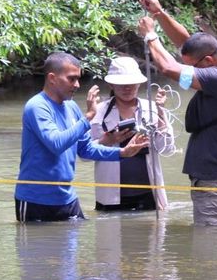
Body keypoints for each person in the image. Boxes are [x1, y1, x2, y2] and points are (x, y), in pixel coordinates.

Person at [137, 0, 217, 225]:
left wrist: (150, 35)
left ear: (207, 62)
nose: (189, 69)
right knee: (216, 249)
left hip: (215, 180)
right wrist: (159, 13)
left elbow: (167, 67)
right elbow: (186, 44)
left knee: (210, 249)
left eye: (192, 66)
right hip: (215, 177)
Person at [15, 51, 149, 222]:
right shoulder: (37, 106)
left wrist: (122, 152)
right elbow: (56, 144)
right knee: (41, 248)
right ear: (52, 78)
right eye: (72, 79)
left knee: (72, 247)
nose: (77, 85)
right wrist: (88, 118)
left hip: (67, 198)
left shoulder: (71, 107)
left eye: (78, 79)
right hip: (35, 200)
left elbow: (86, 149)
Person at [87, 56, 176, 211]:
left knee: (153, 234)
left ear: (139, 83)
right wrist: (106, 140)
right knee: (109, 233)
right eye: (122, 84)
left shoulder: (153, 108)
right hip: (110, 197)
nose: (127, 88)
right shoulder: (98, 111)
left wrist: (161, 112)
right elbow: (84, 154)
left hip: (150, 195)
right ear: (111, 84)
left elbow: (167, 149)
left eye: (131, 83)